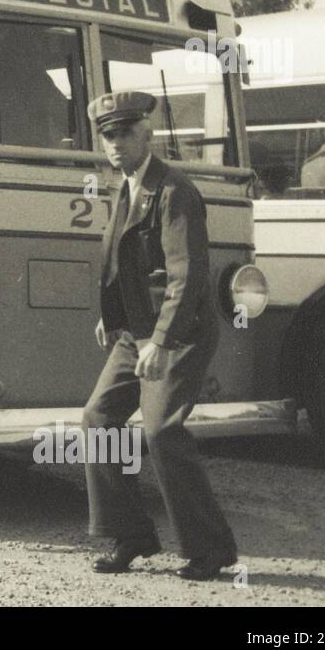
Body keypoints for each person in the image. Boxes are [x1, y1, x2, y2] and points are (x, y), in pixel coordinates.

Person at [83, 90, 238, 581]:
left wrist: (162, 341)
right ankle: (130, 534)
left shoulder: (173, 190)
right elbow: (118, 261)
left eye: (125, 133)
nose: (115, 144)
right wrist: (113, 316)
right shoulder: (125, 187)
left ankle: (210, 550)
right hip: (136, 332)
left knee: (161, 431)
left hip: (180, 331)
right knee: (98, 419)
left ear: (146, 134)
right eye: (108, 136)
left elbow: (187, 276)